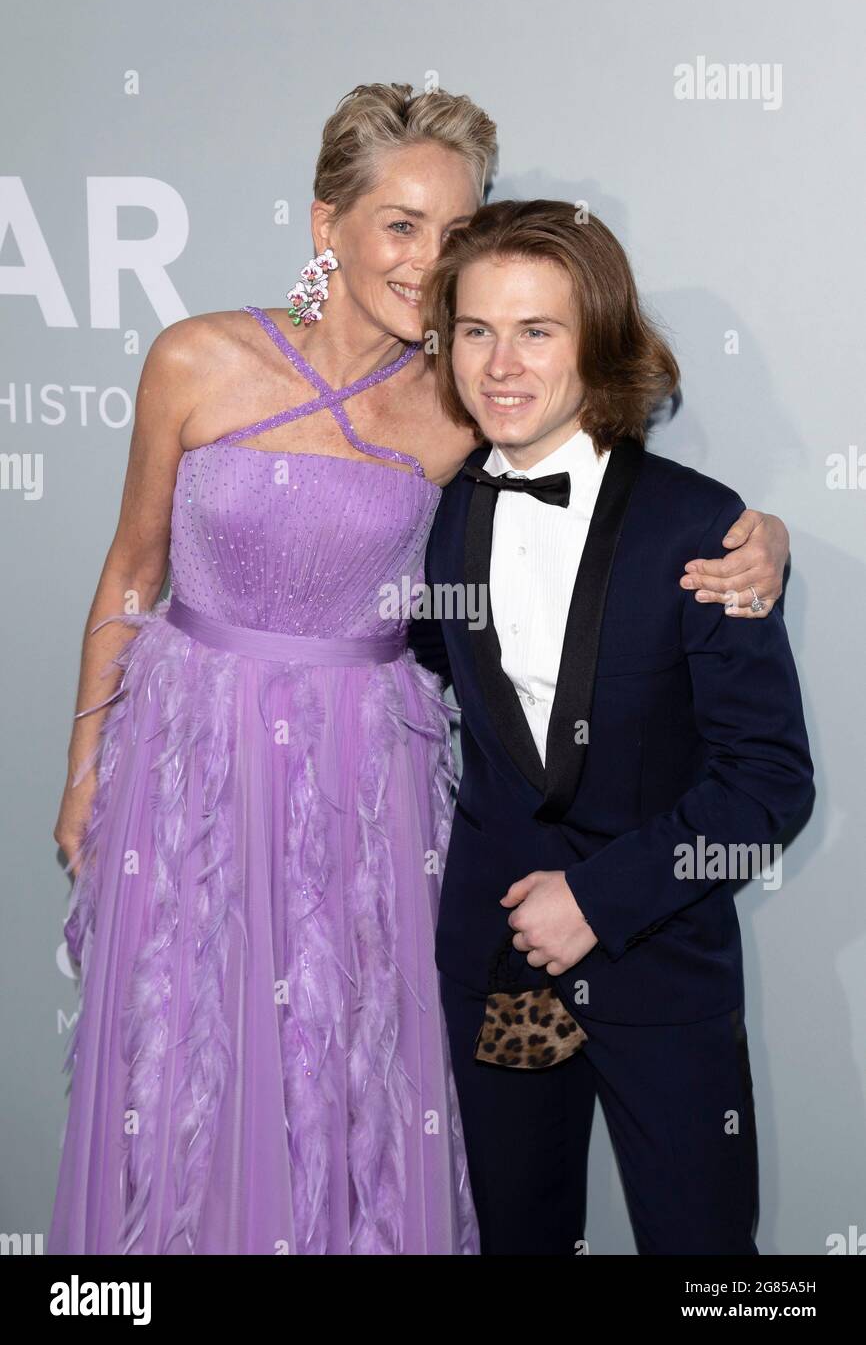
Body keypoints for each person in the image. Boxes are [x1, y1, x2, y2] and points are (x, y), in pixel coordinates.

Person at [48, 84, 790, 1256]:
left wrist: (760, 536)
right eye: (400, 224)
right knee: (189, 1077)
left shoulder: (459, 412)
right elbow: (132, 569)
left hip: (364, 803)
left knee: (348, 1096)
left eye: (454, 232)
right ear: (323, 225)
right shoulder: (196, 359)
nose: (427, 261)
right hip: (190, 776)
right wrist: (86, 767)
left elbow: (597, 484)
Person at [415, 198, 814, 1256]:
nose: (499, 364)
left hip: (657, 965)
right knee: (517, 1237)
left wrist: (598, 897)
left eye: (535, 330)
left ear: (597, 340)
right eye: (474, 329)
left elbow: (768, 785)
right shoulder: (439, 516)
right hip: (495, 964)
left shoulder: (703, 527)